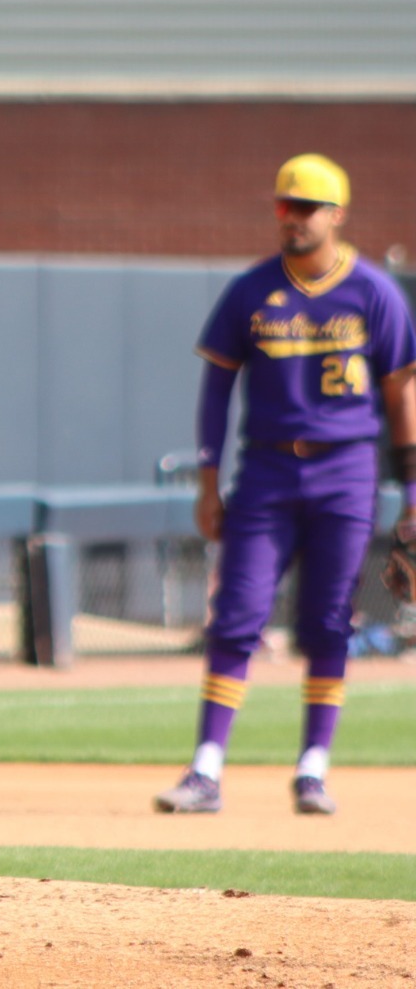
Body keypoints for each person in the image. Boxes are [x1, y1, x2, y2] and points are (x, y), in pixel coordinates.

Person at [153, 154, 416, 816]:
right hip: (267, 467)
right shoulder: (251, 290)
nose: (292, 218)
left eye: (305, 207)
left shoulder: (374, 291)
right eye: (283, 206)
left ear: (336, 215)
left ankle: (313, 769)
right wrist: (209, 483)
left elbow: (402, 390)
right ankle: (206, 768)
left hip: (347, 468)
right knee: (237, 612)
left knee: (329, 620)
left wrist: (413, 496)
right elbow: (217, 386)